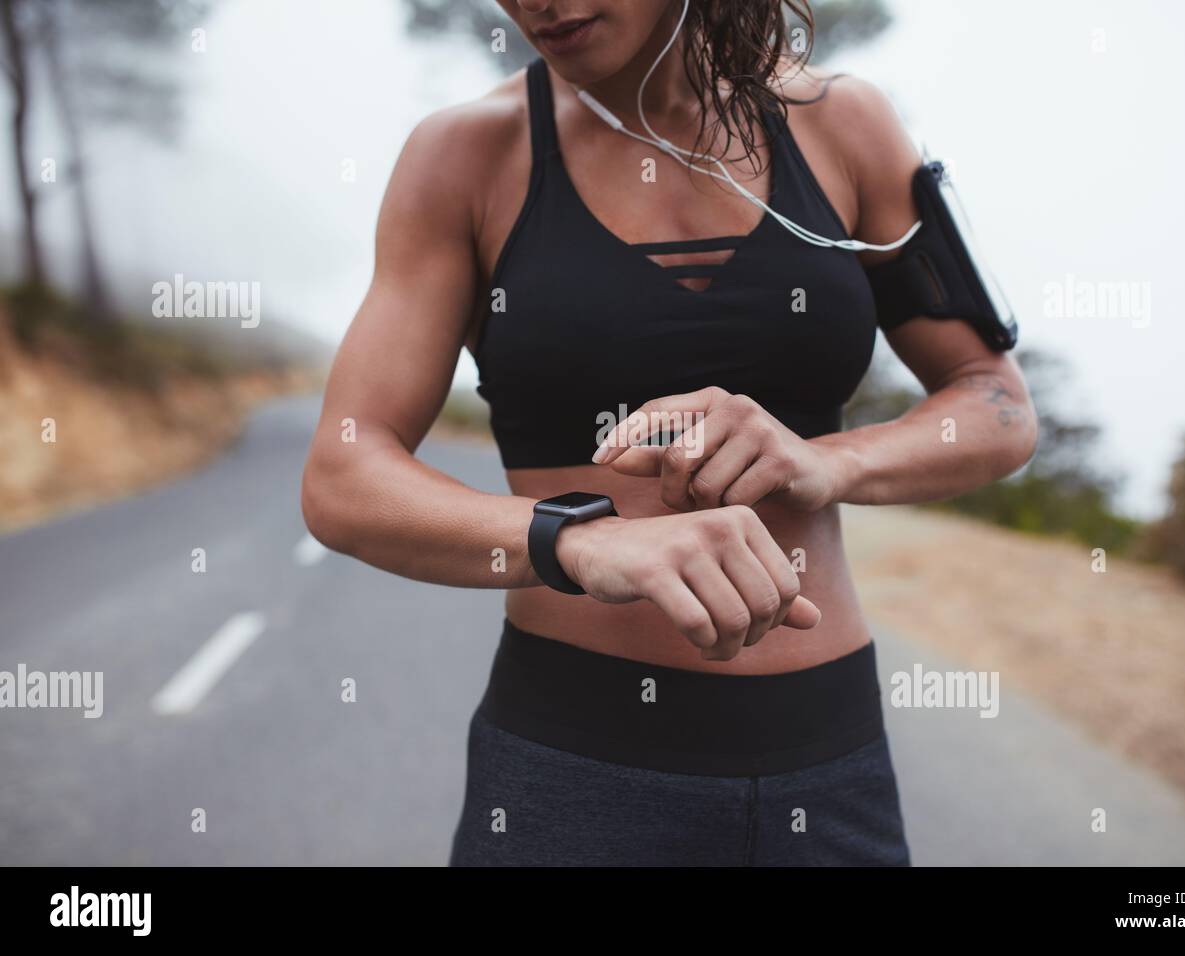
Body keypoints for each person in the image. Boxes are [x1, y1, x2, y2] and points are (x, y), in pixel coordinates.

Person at [301, 0, 1037, 866]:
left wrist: (824, 460)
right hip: (569, 775)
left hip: (829, 767)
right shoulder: (467, 154)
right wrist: (577, 542)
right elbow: (343, 474)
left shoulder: (845, 123)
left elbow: (995, 402)